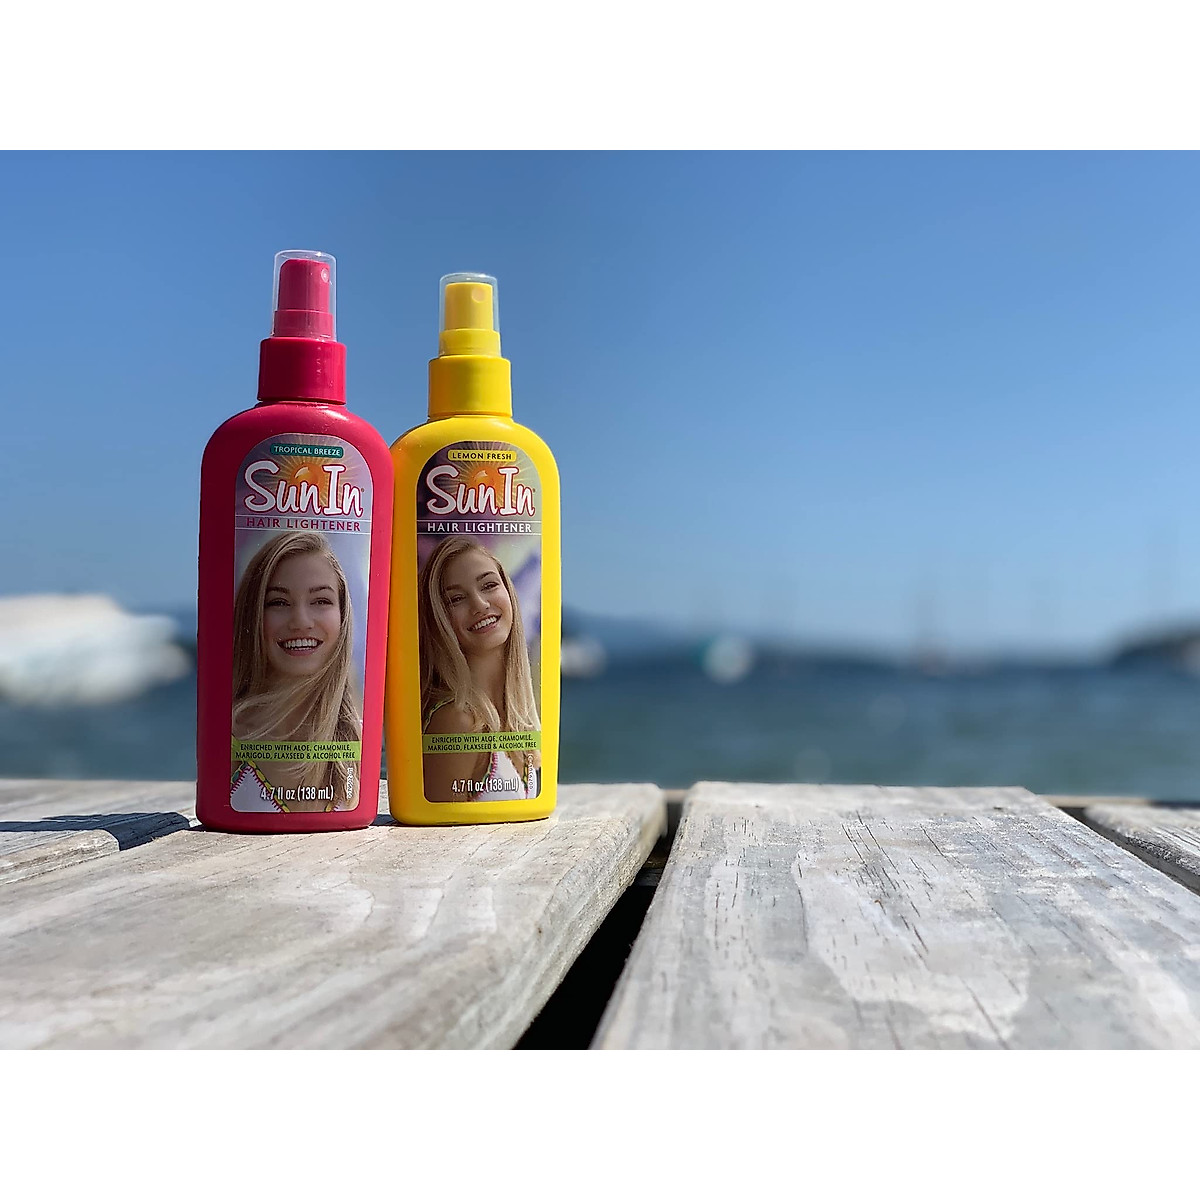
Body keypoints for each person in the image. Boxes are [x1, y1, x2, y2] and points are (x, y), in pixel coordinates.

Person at [230, 530, 362, 812]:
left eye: (321, 601)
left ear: (343, 615)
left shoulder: (360, 738)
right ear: (253, 614)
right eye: (278, 602)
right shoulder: (229, 734)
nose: (301, 621)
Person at [418, 536, 540, 802]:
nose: (480, 604)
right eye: (456, 599)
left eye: (489, 585)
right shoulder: (456, 720)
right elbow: (438, 828)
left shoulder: (516, 718)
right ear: (439, 618)